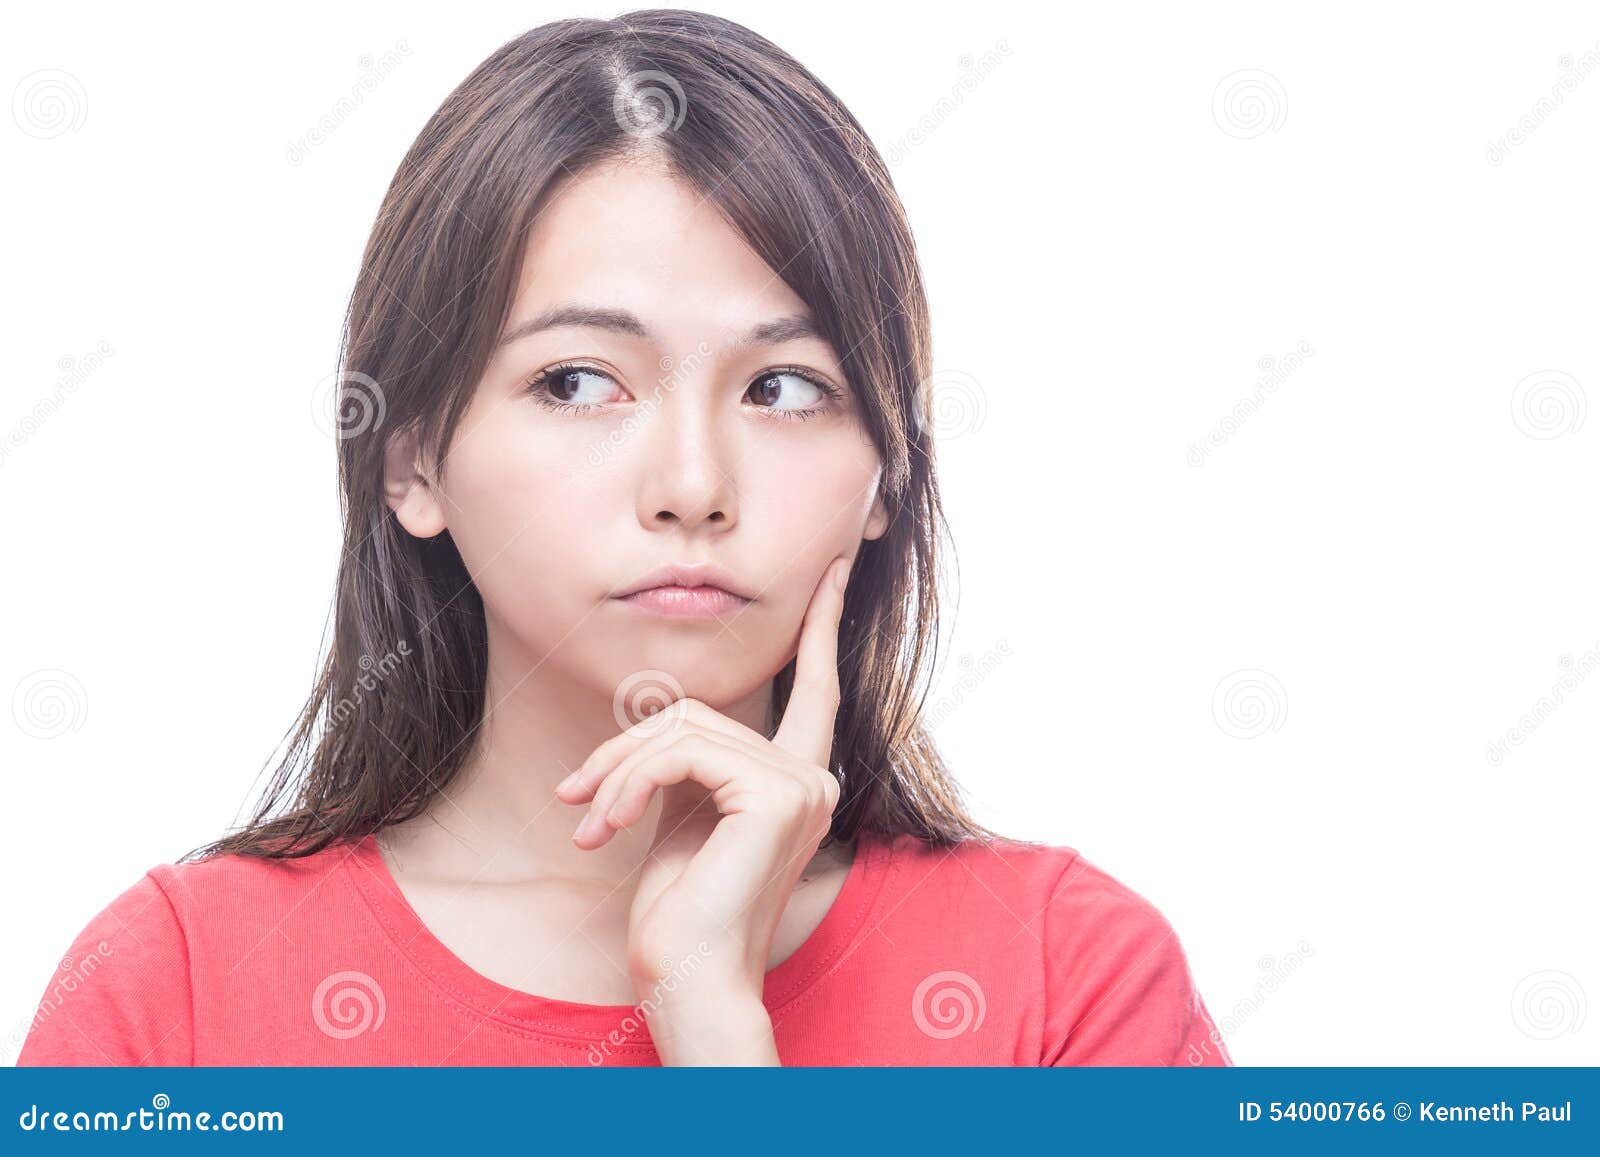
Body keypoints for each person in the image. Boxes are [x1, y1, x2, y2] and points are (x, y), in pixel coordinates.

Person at [17, 9, 1230, 1067]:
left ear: (887, 476)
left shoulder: (1068, 980)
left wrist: (714, 1024)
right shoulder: (176, 990)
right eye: (579, 381)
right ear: (412, 460)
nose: (693, 486)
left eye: (784, 389)